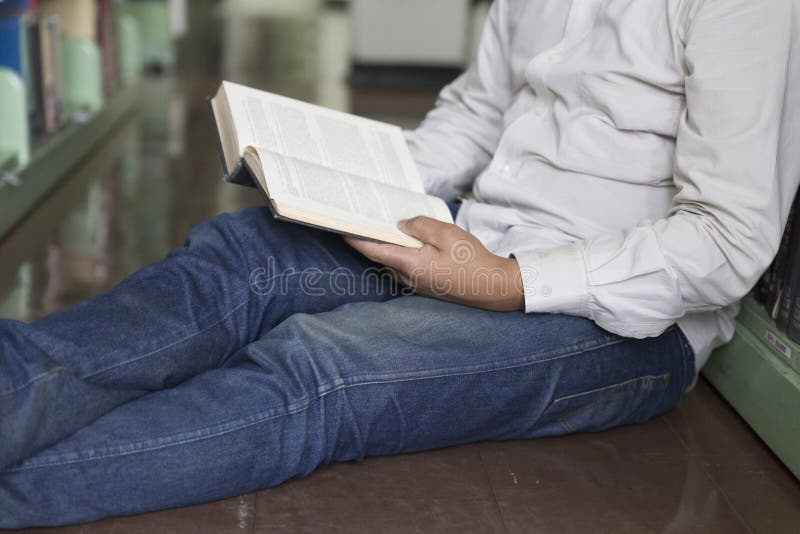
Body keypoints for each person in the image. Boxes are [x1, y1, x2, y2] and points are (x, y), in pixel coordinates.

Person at [0, 0, 796, 527]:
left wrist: (505, 283)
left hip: (610, 318)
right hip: (469, 236)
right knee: (239, 256)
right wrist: (337, 180)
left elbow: (727, 237)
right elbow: (479, 115)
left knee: (326, 370)